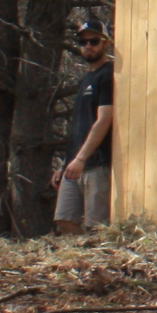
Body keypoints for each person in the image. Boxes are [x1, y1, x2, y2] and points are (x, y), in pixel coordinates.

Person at [54, 22, 114, 233]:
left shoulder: (109, 74)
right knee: (64, 220)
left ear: (106, 43)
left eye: (94, 41)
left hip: (97, 163)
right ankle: (80, 257)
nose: (88, 46)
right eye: (83, 42)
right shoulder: (85, 79)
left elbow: (104, 118)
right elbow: (80, 126)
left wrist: (82, 158)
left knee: (95, 226)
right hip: (74, 164)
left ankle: (99, 260)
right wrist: (66, 163)